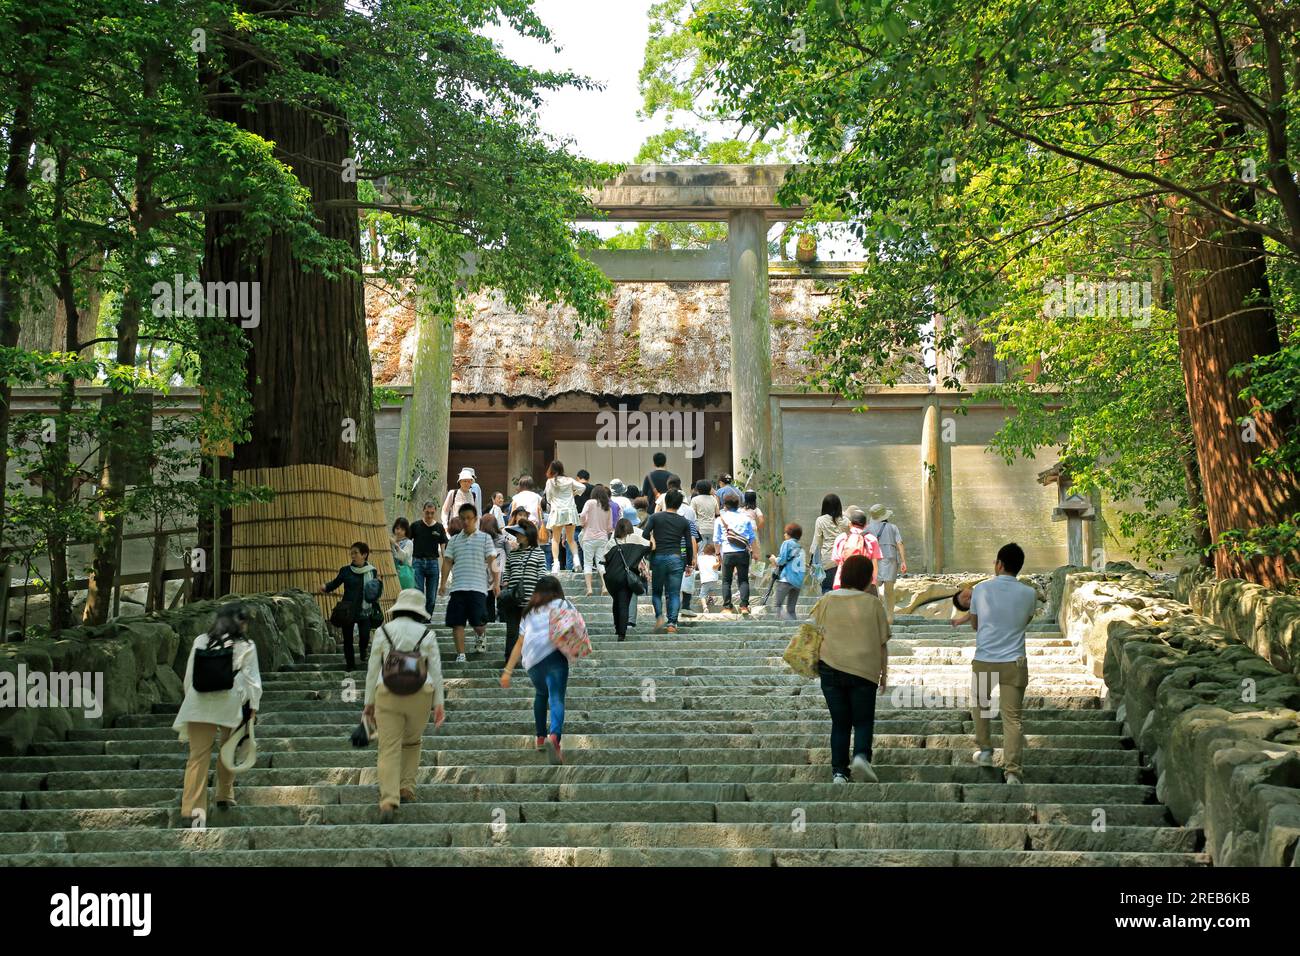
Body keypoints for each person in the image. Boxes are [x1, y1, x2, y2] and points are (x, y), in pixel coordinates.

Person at [174, 601, 262, 822]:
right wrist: (254, 708)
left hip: (198, 703)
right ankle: (224, 794)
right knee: (228, 750)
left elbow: (189, 677)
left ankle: (192, 809)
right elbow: (254, 682)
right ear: (240, 622)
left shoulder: (200, 641)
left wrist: (190, 700)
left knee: (197, 756)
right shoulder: (246, 646)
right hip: (231, 703)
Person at [363, 588, 445, 823]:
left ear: (398, 608)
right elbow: (436, 671)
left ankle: (388, 799)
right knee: (412, 742)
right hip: (421, 693)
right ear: (419, 611)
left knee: (388, 746)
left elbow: (372, 670)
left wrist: (368, 703)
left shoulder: (382, 631)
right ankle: (407, 787)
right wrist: (439, 703)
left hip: (386, 691)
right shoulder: (427, 635)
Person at [809, 554, 890, 783]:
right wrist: (884, 672)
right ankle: (861, 756)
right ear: (867, 578)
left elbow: (816, 629)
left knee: (840, 721)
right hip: (864, 669)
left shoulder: (827, 599)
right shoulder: (873, 603)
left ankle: (839, 772)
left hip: (830, 667)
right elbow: (882, 642)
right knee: (863, 720)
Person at [963, 543, 1036, 786]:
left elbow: (974, 624)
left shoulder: (980, 590)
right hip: (1014, 661)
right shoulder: (1029, 593)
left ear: (999, 564)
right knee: (1013, 718)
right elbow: (1025, 621)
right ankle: (1013, 771)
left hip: (985, 659)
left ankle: (985, 751)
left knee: (981, 706)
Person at [501, 575, 578, 764]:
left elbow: (519, 642)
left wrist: (508, 671)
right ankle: (554, 737)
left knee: (541, 694)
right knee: (556, 696)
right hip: (554, 656)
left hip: (532, 661)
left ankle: (540, 738)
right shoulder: (564, 604)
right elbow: (577, 626)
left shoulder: (530, 611)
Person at [439, 502, 499, 663]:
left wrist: (497, 583)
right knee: (457, 622)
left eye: (469, 518)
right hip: (458, 587)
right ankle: (461, 654)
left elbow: (493, 561)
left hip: (478, 588)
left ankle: (481, 635)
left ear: (475, 519)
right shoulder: (454, 541)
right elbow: (447, 562)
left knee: (478, 623)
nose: (466, 521)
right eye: (463, 518)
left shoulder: (485, 538)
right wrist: (443, 583)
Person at [322, 541, 382, 670]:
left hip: (364, 610)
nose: (353, 556)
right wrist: (326, 587)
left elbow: (374, 591)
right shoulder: (345, 571)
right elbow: (335, 583)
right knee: (348, 639)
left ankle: (363, 650)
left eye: (356, 553)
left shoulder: (372, 571)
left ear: (364, 554)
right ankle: (350, 665)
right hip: (347, 610)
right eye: (351, 553)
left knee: (365, 636)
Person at [643, 489, 695, 633]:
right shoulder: (683, 521)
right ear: (679, 504)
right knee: (674, 593)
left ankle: (659, 616)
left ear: (665, 502)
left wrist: (652, 541)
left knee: (657, 592)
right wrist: (689, 563)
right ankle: (672, 623)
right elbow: (689, 545)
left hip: (658, 557)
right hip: (677, 558)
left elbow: (645, 534)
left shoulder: (655, 517)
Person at [501, 520, 547, 663]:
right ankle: (511, 658)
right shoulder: (513, 553)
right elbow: (507, 572)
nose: (517, 536)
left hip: (531, 599)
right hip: (513, 599)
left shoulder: (538, 553)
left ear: (528, 535)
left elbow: (542, 575)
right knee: (512, 631)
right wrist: (506, 584)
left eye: (519, 534)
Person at [605, 518, 650, 641]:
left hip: (612, 578)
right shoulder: (636, 539)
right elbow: (651, 546)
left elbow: (604, 560)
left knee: (616, 601)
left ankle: (617, 627)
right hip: (627, 577)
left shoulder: (612, 542)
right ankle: (621, 633)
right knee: (624, 603)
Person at [714, 492, 757, 614]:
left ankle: (727, 607)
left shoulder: (720, 519)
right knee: (743, 580)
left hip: (727, 553)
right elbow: (751, 537)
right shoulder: (745, 518)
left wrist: (717, 555)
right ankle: (744, 606)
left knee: (726, 580)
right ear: (738, 504)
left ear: (725, 505)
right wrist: (755, 552)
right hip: (743, 552)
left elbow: (716, 540)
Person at [867, 503, 907, 622]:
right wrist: (904, 561)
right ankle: (890, 617)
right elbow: (900, 543)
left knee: (875, 587)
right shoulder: (893, 527)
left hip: (875, 559)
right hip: (891, 558)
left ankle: (877, 614)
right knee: (889, 589)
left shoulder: (868, 528)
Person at [543, 460, 585, 573]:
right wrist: (573, 494)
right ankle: (576, 561)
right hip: (570, 511)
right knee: (571, 539)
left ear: (551, 469)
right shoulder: (570, 480)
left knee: (555, 540)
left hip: (557, 512)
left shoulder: (550, 482)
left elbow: (548, 498)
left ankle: (556, 564)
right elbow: (582, 488)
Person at [408, 501, 449, 617]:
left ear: (435, 512)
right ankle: (419, 616)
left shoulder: (439, 527)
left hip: (433, 563)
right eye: (427, 513)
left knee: (431, 596)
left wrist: (445, 561)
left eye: (432, 513)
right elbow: (408, 542)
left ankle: (428, 617)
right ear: (423, 511)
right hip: (418, 562)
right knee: (418, 593)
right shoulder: (415, 526)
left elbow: (443, 546)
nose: (430, 515)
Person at [831, 507, 881, 590]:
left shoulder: (841, 538)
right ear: (865, 526)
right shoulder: (871, 539)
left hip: (842, 583)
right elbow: (874, 564)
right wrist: (873, 582)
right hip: (863, 584)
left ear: (850, 524)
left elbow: (836, 560)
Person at [578, 484, 615, 597]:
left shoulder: (590, 503)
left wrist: (583, 523)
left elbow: (583, 514)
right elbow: (610, 527)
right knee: (601, 563)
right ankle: (604, 586)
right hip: (602, 538)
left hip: (589, 537)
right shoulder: (607, 507)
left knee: (588, 563)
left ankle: (589, 589)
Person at [809, 494, 850, 593]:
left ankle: (828, 608)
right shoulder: (845, 520)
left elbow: (816, 542)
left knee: (827, 588)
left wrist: (811, 558)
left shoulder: (820, 520)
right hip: (843, 559)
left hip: (827, 559)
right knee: (842, 590)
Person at [770, 523, 805, 620]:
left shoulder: (787, 543)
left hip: (786, 579)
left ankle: (785, 625)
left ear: (789, 534)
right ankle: (794, 628)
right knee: (791, 610)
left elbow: (782, 560)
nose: (784, 535)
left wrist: (774, 559)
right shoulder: (801, 549)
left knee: (777, 605)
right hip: (798, 582)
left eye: (785, 533)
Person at [480, 513, 508, 625]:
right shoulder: (503, 539)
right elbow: (509, 556)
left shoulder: (480, 541)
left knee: (489, 601)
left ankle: (490, 621)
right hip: (501, 574)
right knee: (502, 600)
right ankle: (503, 621)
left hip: (487, 575)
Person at [689, 479, 719, 544]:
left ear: (698, 488)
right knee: (711, 549)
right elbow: (717, 513)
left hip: (700, 529)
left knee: (701, 550)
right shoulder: (713, 499)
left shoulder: (695, 499)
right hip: (712, 528)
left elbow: (692, 513)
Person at [391, 516, 415, 590]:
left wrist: (395, 545)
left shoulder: (409, 542)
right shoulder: (391, 541)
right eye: (397, 528)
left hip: (404, 574)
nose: (399, 531)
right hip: (391, 573)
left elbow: (403, 557)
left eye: (402, 529)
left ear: (406, 531)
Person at [696, 542, 721, 612]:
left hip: (705, 579)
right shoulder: (714, 558)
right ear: (713, 551)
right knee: (711, 590)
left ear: (704, 551)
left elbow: (696, 563)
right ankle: (710, 599)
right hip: (714, 579)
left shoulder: (700, 558)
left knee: (702, 595)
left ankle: (705, 607)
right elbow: (715, 567)